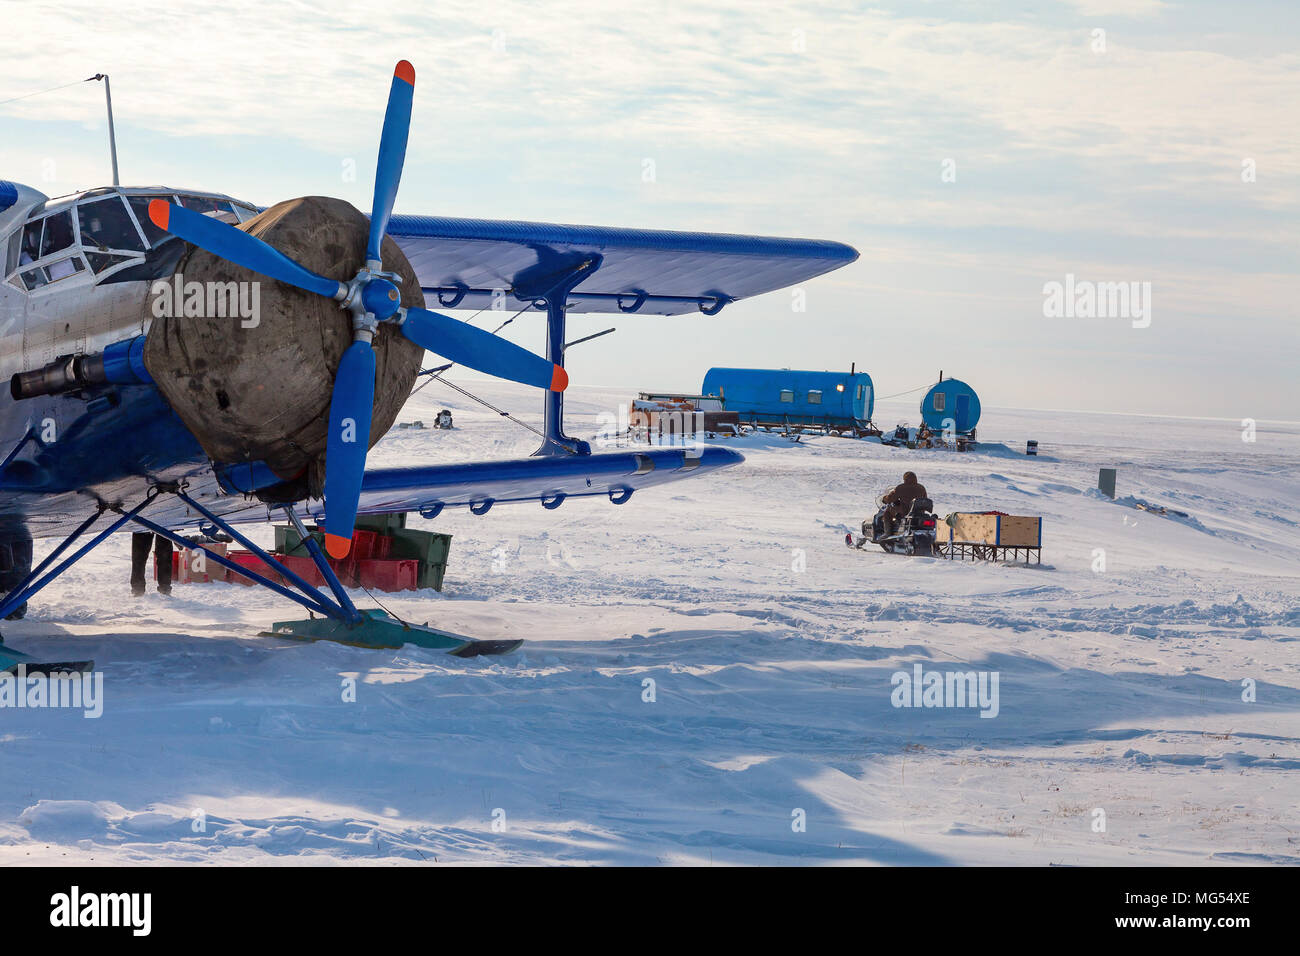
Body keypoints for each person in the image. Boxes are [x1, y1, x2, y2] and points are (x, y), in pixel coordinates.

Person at [131, 531, 173, 596]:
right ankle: (137, 588)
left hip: (164, 522)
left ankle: (165, 588)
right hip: (142, 523)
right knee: (139, 554)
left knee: (165, 553)